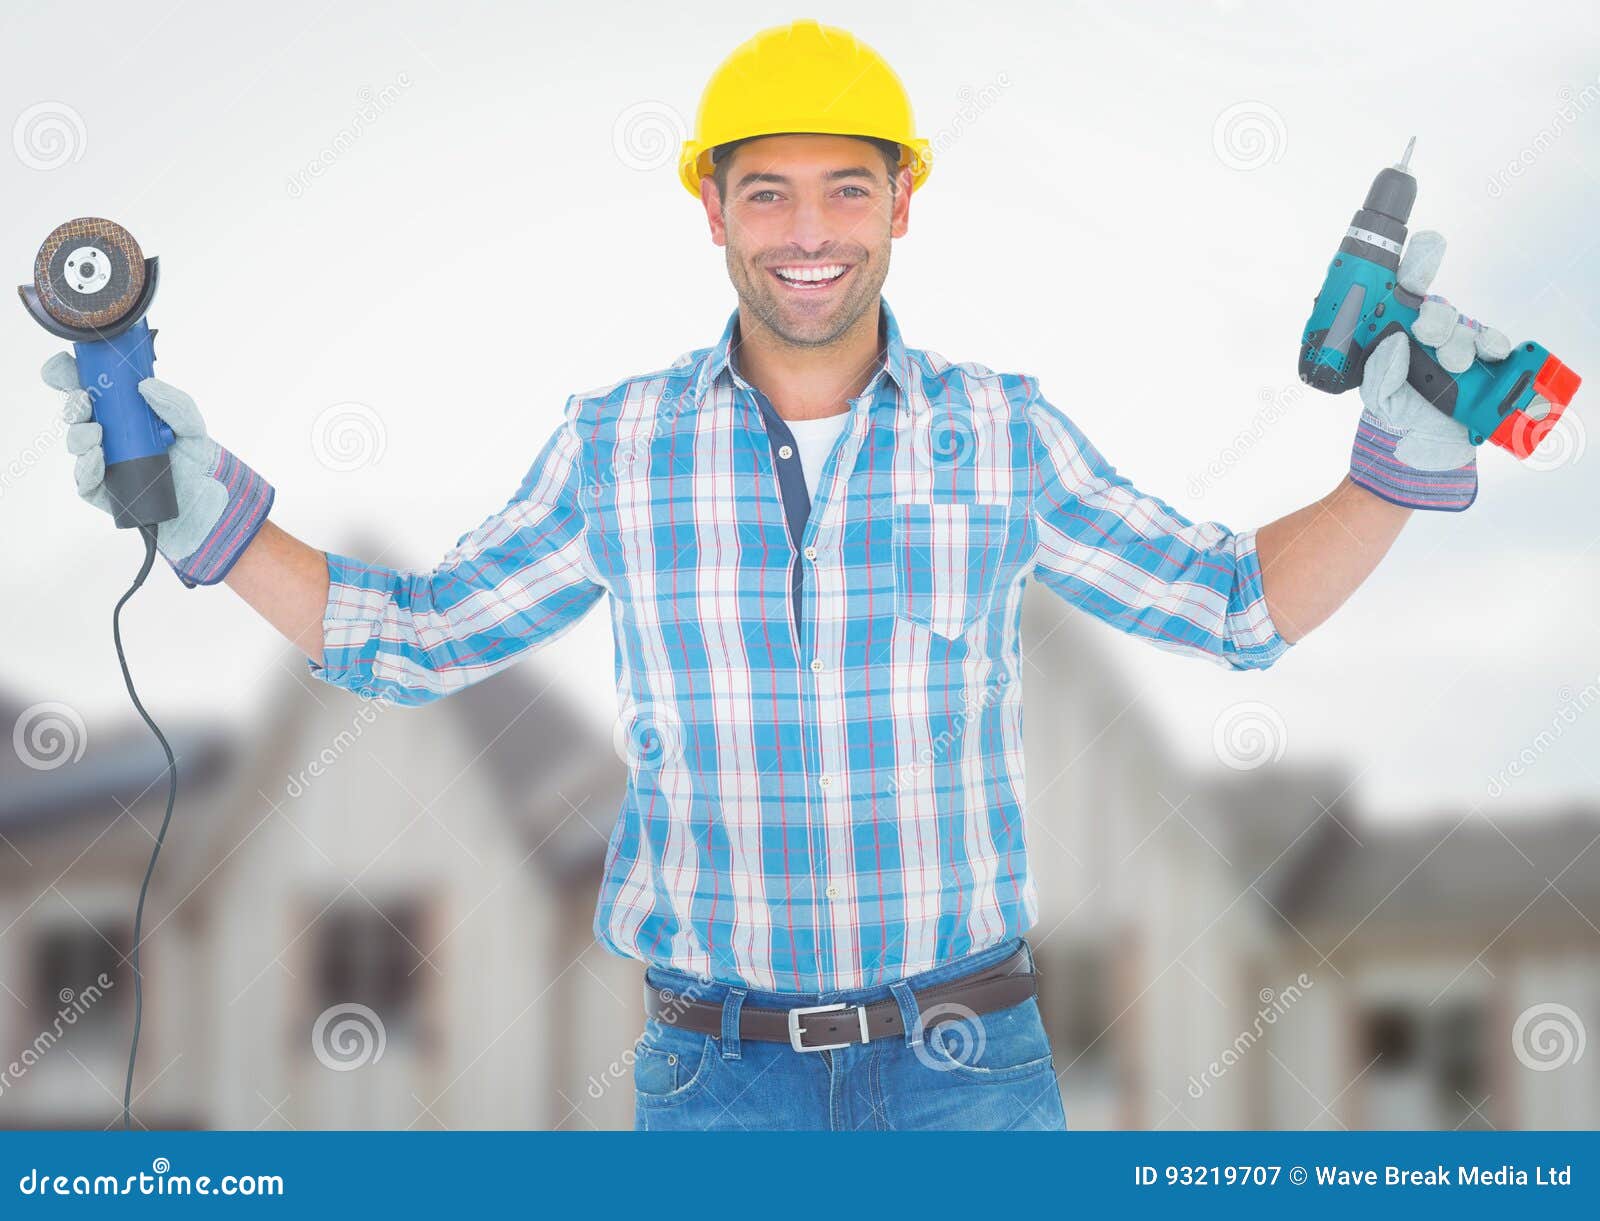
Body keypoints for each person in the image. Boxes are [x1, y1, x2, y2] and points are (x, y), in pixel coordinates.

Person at [43, 19, 1519, 1131]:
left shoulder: (1000, 435)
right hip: (711, 1081)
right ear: (714, 211)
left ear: (900, 205)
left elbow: (1236, 605)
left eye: (842, 191)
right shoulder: (617, 447)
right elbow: (410, 639)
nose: (807, 234)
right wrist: (207, 523)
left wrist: (1391, 473)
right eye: (766, 195)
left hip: (971, 1077)